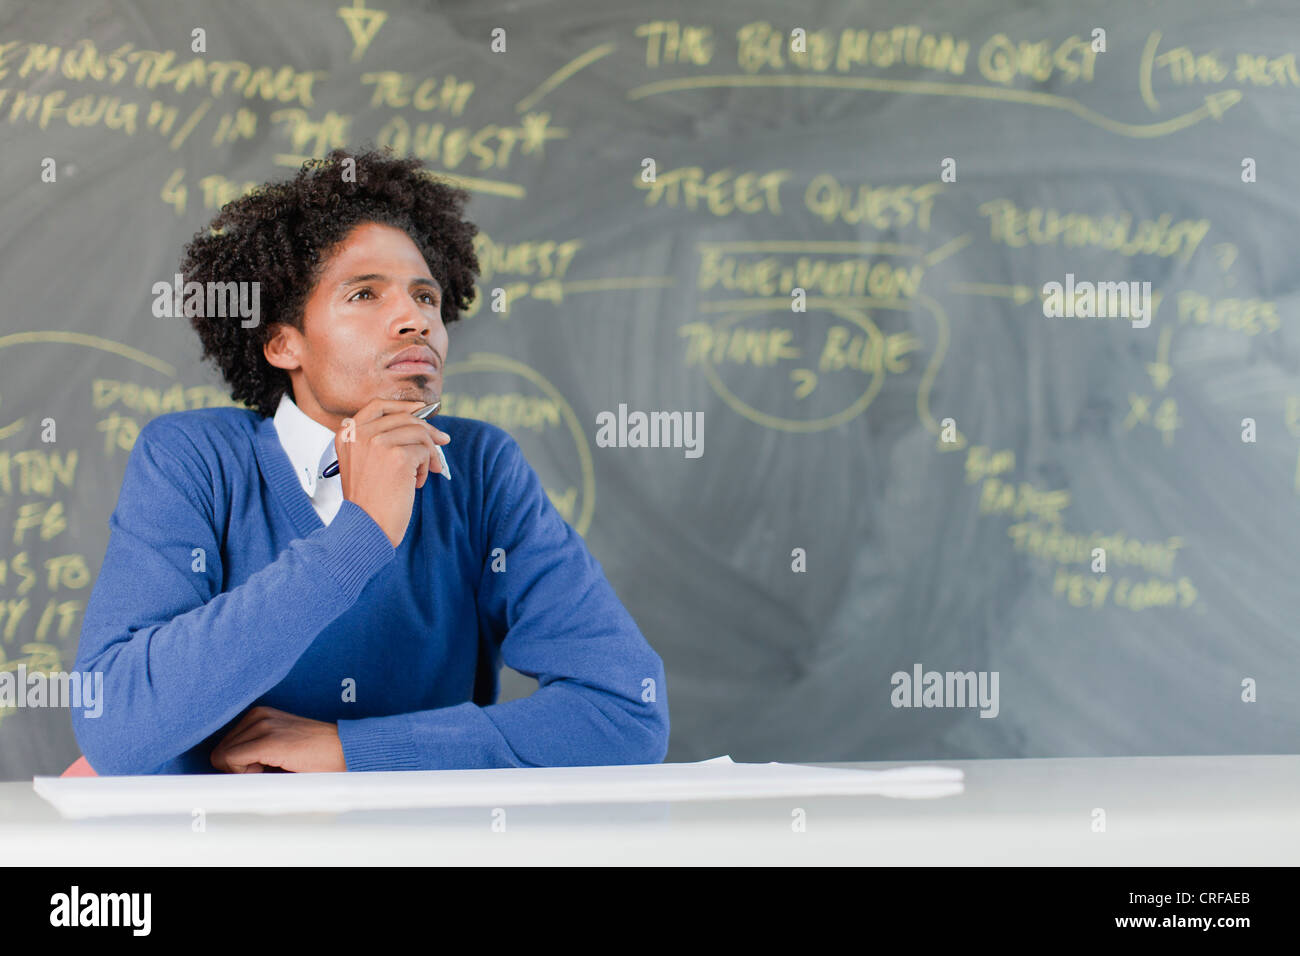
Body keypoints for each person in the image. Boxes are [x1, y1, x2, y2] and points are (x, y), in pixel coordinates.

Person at [71, 147, 669, 774]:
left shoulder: (483, 470)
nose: (415, 320)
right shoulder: (194, 461)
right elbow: (115, 724)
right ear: (283, 343)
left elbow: (626, 711)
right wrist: (362, 535)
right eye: (363, 294)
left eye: (427, 298)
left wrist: (347, 750)